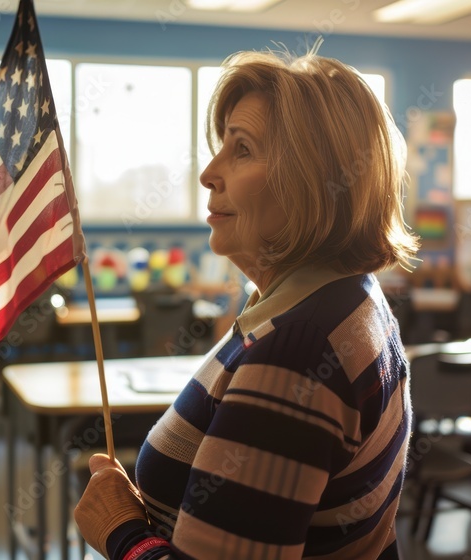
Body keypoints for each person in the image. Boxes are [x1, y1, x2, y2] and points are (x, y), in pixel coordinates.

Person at [74, 47, 419, 560]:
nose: (208, 173)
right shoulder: (350, 299)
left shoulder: (297, 354)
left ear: (312, 181)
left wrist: (121, 531)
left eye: (242, 149)